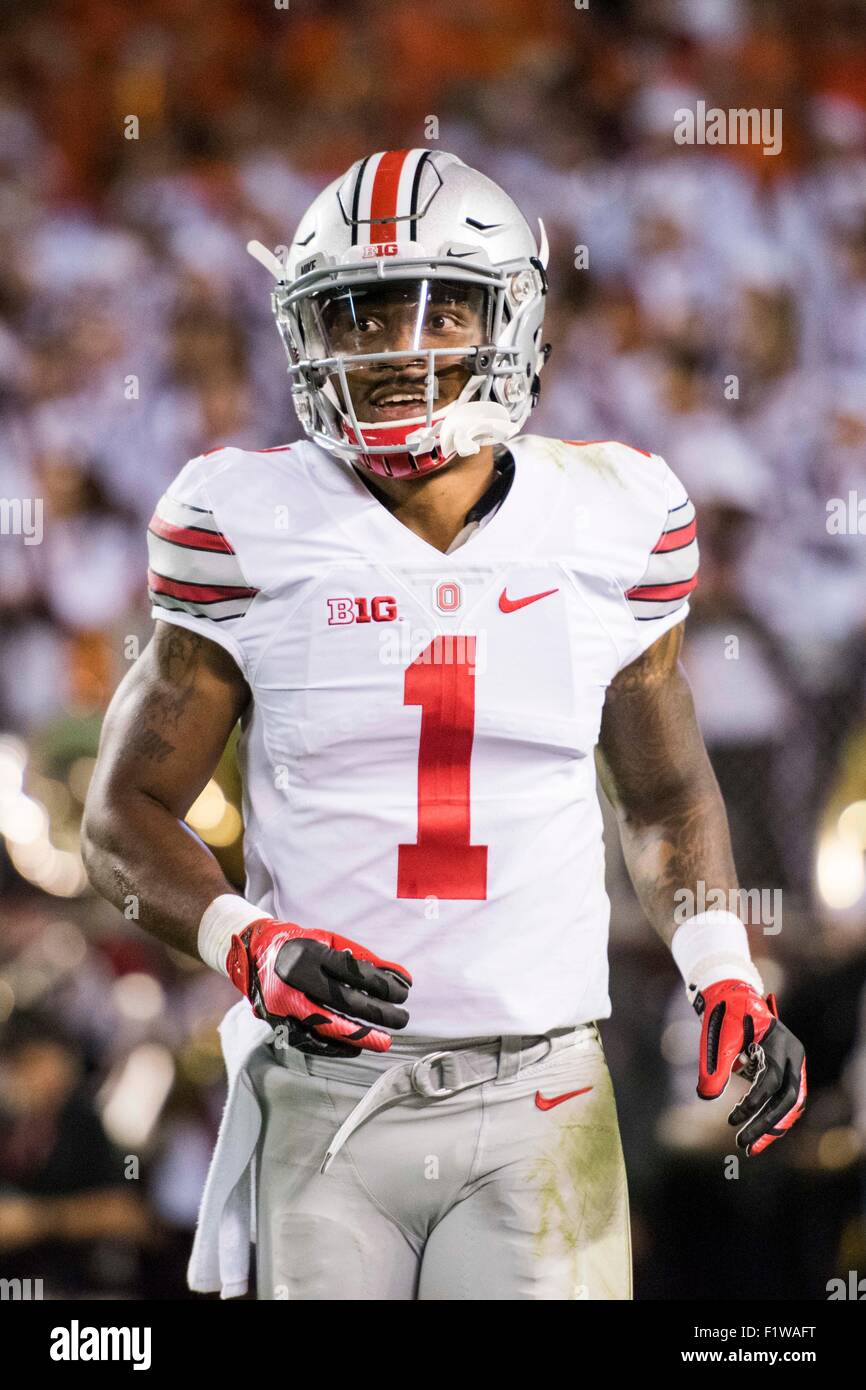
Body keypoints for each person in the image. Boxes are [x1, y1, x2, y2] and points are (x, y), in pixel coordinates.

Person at [82, 148, 807, 1301]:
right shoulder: (243, 520)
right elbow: (119, 814)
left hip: (545, 1097)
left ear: (510, 317)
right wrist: (247, 942)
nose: (391, 350)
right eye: (357, 316)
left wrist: (721, 966)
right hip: (320, 1095)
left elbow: (664, 794)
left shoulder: (613, 517)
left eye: (435, 309)